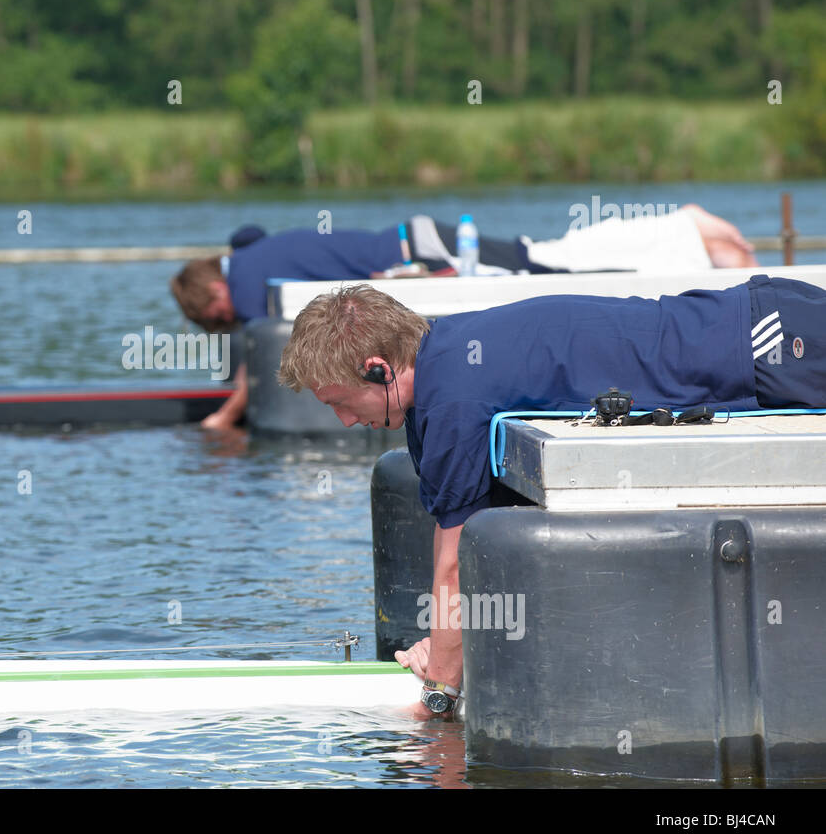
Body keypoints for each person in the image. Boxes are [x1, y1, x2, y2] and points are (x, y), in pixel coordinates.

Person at [276, 276, 826, 720]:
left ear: (379, 368)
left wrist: (439, 694)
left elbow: (453, 569)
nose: (345, 421)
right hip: (761, 313)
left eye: (340, 403)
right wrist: (445, 643)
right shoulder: (446, 357)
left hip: (768, 341)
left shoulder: (450, 402)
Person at [172, 206, 757, 429]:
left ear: (214, 290)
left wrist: (222, 421)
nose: (227, 319)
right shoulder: (247, 250)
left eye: (216, 313)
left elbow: (253, 359)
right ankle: (684, 231)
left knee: (544, 266)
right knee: (536, 253)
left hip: (424, 254)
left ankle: (681, 231)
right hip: (416, 236)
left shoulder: (245, 284)